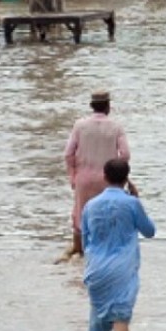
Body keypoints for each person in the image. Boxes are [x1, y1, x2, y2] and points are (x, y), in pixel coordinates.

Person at [80, 159, 154, 331]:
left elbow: (85, 240)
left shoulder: (90, 206)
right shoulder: (131, 203)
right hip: (122, 269)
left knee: (98, 316)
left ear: (104, 176)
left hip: (95, 269)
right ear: (126, 178)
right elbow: (149, 231)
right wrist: (137, 200)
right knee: (120, 317)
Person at [62, 91, 130, 262]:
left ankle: (79, 248)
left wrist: (73, 175)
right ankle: (104, 247)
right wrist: (118, 174)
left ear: (92, 106)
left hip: (83, 178)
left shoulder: (80, 126)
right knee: (107, 213)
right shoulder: (116, 127)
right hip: (108, 178)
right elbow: (126, 154)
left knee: (80, 212)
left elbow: (68, 154)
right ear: (108, 106)